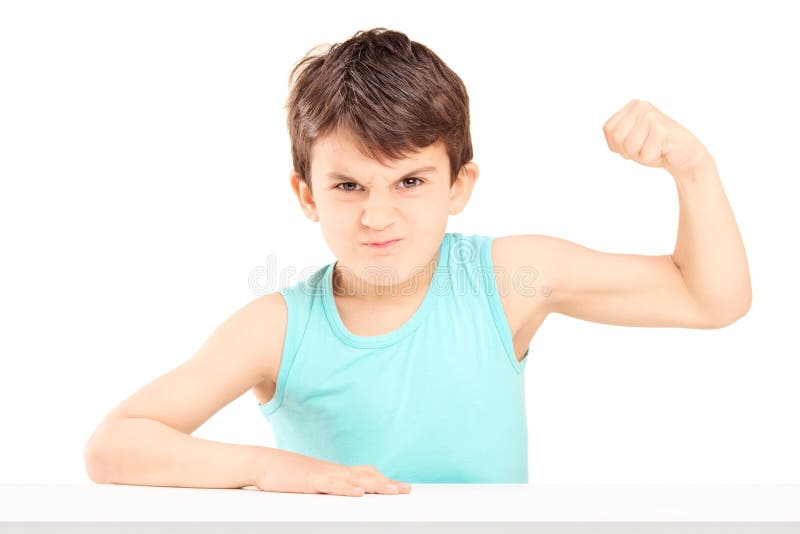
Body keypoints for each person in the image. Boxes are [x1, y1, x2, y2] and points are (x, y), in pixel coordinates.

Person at [83, 27, 752, 497]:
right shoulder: (275, 328)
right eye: (348, 186)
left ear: (459, 186)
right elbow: (114, 444)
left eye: (409, 182)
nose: (377, 217)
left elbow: (710, 298)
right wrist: (266, 469)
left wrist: (692, 168)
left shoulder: (507, 282)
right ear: (306, 195)